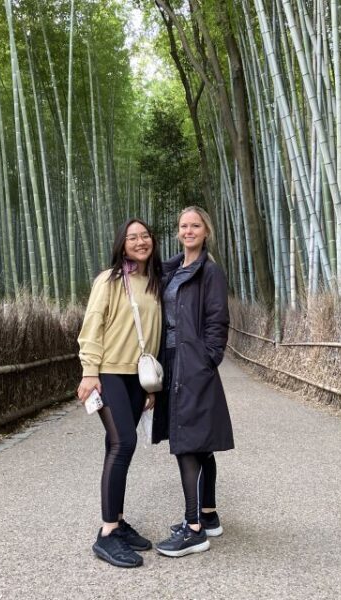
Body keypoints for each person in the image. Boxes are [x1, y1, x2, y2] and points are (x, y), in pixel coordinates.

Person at [76, 218, 162, 568]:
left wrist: (150, 385)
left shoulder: (155, 281)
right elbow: (93, 323)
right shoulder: (110, 280)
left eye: (145, 236)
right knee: (122, 443)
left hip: (136, 377)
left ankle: (118, 520)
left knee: (120, 445)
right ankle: (108, 533)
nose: (140, 241)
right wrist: (89, 370)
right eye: (132, 237)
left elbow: (154, 334)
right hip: (109, 372)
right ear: (121, 244)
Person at [153, 206, 234, 558]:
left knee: (189, 443)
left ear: (206, 231)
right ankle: (209, 515)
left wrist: (207, 358)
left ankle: (194, 529)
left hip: (193, 364)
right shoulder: (171, 269)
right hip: (173, 362)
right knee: (199, 443)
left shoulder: (210, 272)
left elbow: (218, 319)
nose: (189, 231)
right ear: (178, 231)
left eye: (195, 225)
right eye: (183, 226)